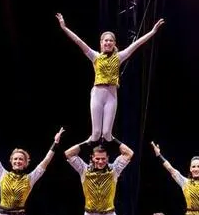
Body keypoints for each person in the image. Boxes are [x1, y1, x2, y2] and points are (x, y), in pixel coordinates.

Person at [56, 12, 165, 143]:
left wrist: (153, 31)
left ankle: (120, 152)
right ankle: (79, 152)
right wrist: (64, 27)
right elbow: (78, 41)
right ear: (101, 43)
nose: (108, 42)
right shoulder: (95, 56)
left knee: (107, 134)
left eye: (110, 40)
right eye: (105, 40)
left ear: (114, 43)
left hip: (111, 95)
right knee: (96, 133)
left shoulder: (119, 57)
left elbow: (136, 44)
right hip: (97, 93)